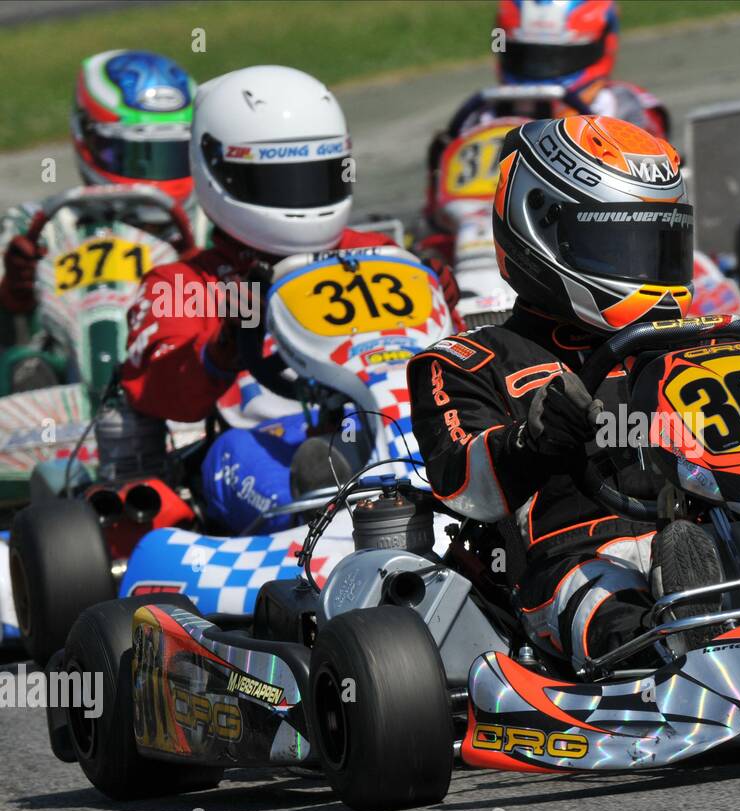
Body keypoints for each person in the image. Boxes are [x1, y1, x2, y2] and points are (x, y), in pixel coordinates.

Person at [409, 115, 696, 671]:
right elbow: (462, 484)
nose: (645, 269)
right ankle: (680, 646)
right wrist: (532, 439)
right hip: (573, 559)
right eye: (620, 246)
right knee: (609, 606)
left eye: (657, 246)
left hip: (702, 532)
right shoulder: (467, 361)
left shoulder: (683, 347)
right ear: (542, 232)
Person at [121, 65, 455, 534]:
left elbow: (446, 361)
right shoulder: (186, 283)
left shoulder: (382, 254)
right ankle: (325, 542)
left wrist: (444, 302)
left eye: (314, 178)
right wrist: (222, 348)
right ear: (219, 172)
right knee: (257, 458)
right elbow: (162, 395)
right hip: (272, 439)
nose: (300, 200)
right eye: (277, 183)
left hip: (400, 426)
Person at [0, 50, 199, 361]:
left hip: (184, 379)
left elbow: (254, 316)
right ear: (86, 136)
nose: (152, 179)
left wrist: (212, 283)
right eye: (136, 157)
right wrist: (13, 294)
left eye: (172, 154)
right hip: (61, 387)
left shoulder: (213, 225)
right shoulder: (40, 227)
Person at [421, 0, 667, 235]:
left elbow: (652, 199)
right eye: (525, 57)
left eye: (557, 58)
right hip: (484, 238)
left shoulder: (625, 109)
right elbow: (438, 216)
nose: (540, 72)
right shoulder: (479, 116)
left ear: (604, 44)